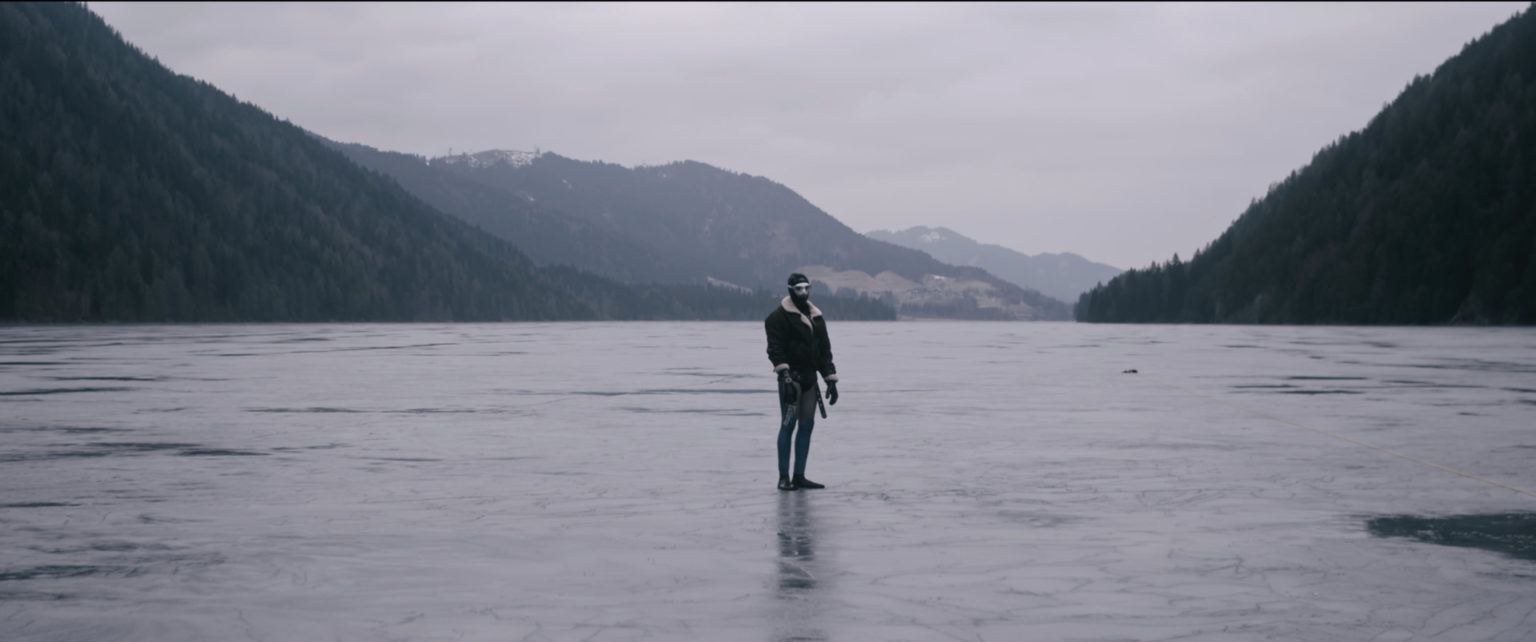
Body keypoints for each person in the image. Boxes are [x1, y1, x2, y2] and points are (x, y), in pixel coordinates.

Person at [765, 273, 839, 491]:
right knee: (788, 425)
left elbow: (824, 351)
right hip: (792, 380)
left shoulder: (816, 317)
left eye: (807, 288)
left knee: (807, 426)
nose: (803, 292)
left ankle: (799, 476)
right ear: (790, 290)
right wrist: (784, 375)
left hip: (810, 380)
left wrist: (830, 378)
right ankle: (783, 477)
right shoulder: (777, 318)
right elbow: (775, 350)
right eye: (799, 288)